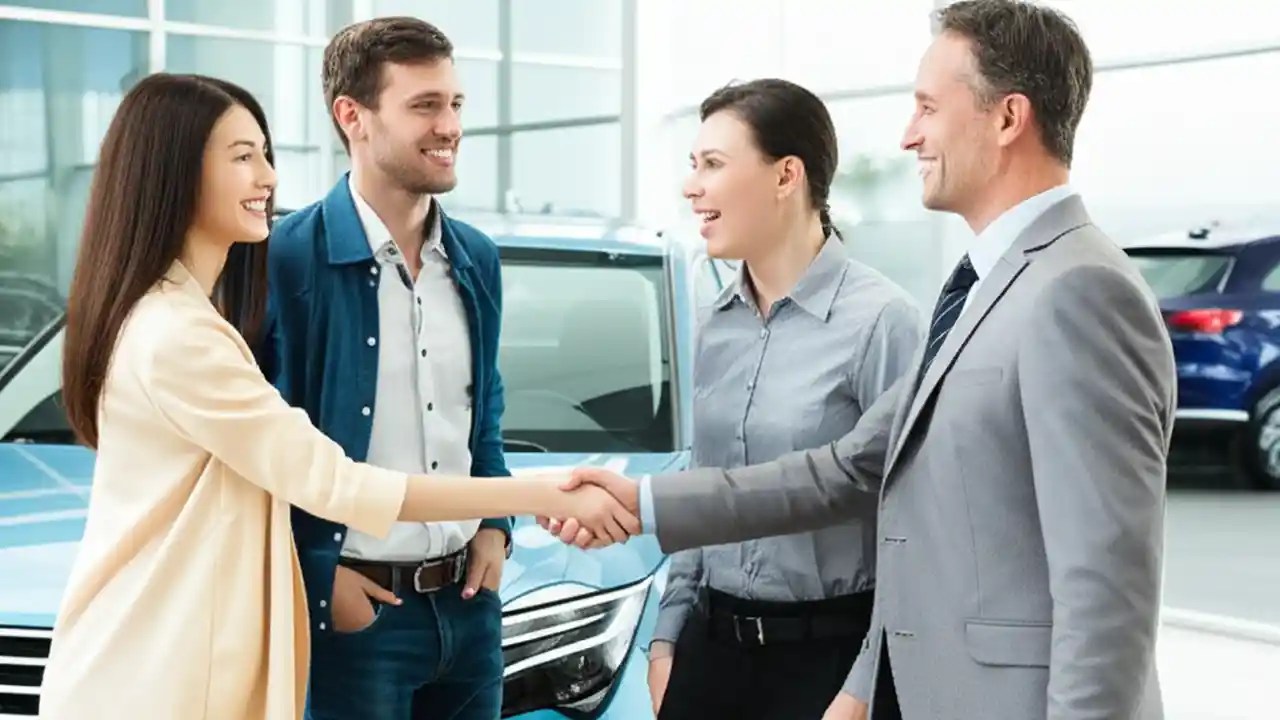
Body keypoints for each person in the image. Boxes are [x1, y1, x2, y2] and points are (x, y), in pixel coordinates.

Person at [553, 2, 1175, 719]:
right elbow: (849, 468)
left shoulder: (1078, 289)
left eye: (927, 108)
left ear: (1008, 119)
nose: (909, 136)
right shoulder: (984, 289)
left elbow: (1106, 596)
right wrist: (644, 504)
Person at [38, 72, 637, 720]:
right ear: (174, 172)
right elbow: (334, 481)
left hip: (200, 657)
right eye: (243, 157)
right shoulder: (180, 336)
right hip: (164, 672)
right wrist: (542, 493)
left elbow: (478, 406)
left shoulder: (185, 319)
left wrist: (494, 524)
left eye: (266, 154)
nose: (267, 178)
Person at [257, 16, 514, 720]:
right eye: (424, 105)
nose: (450, 125)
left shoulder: (477, 259)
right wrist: (321, 575)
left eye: (455, 104)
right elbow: (258, 452)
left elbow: (482, 407)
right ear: (353, 117)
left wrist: (496, 520)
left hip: (471, 610)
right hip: (357, 615)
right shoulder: (285, 260)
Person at [647, 78, 922, 720]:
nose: (692, 187)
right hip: (709, 653)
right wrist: (667, 638)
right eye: (694, 166)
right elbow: (705, 484)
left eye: (713, 165)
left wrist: (862, 687)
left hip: (827, 663)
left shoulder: (883, 323)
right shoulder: (716, 324)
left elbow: (911, 530)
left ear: (786, 176)